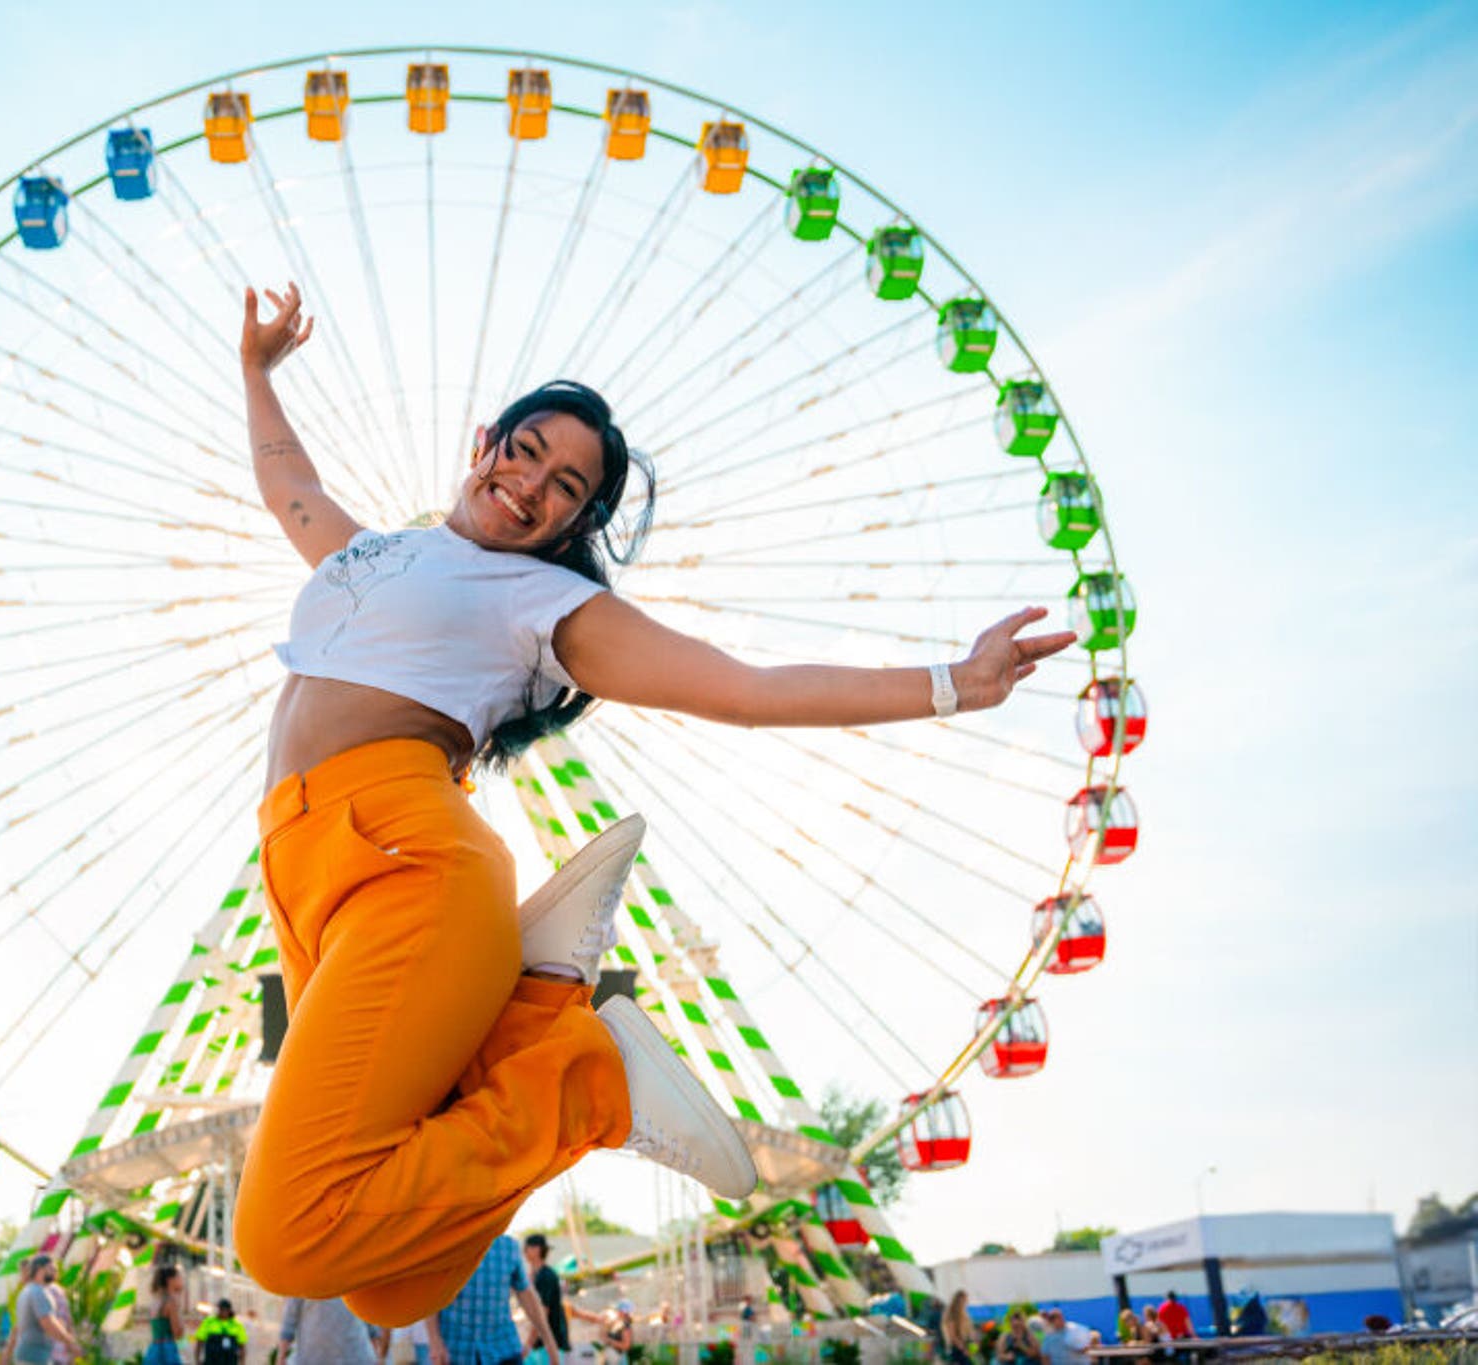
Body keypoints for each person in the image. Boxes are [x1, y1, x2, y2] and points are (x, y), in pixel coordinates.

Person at [229, 286, 1070, 1330]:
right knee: (386, 1281)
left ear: (578, 523)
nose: (528, 483)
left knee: (279, 1240)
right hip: (301, 873)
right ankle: (531, 1019)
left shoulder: (546, 606)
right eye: (524, 450)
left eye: (564, 485)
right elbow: (288, 485)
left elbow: (745, 690)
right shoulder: (371, 554)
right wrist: (260, 372)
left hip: (405, 858)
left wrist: (953, 681)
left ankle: (589, 1080)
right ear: (483, 442)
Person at [436, 1233, 558, 1365]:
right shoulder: (447, 1242)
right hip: (456, 1351)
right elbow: (431, 1294)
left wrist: (549, 1343)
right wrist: (434, 1340)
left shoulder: (509, 1246)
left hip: (503, 1350)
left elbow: (527, 1295)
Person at [10, 1256, 81, 1365]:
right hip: (35, 1357)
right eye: (51, 1269)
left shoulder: (26, 1291)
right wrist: (70, 1342)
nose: (55, 1273)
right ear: (39, 1268)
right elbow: (48, 1322)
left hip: (28, 1354)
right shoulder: (38, 1292)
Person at [281, 1297, 380, 1365]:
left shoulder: (356, 1276)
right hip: (313, 1359)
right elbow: (289, 1322)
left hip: (356, 1357)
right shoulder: (303, 1279)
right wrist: (281, 1358)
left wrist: (379, 1356)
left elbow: (371, 1323)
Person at [522, 1235, 570, 1359]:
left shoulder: (546, 1276)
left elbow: (542, 1313)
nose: (524, 1251)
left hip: (549, 1344)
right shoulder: (537, 1275)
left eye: (526, 1248)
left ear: (537, 1249)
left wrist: (528, 1344)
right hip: (542, 1343)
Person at [142, 1263, 186, 1365]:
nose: (181, 1280)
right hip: (167, 1352)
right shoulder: (171, 1301)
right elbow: (178, 1333)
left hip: (153, 1350)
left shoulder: (155, 1301)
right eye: (178, 1276)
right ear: (170, 1280)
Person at [194, 1296, 249, 1365]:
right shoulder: (209, 1322)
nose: (223, 1312)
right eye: (221, 1309)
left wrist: (242, 1363)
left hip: (230, 1361)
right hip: (211, 1361)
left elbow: (242, 1347)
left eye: (225, 1310)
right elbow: (199, 1342)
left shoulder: (237, 1325)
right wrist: (197, 1359)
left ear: (229, 1310)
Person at [940, 1290, 975, 1365]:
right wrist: (963, 1349)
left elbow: (969, 1332)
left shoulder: (964, 1314)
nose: (967, 1302)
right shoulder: (951, 1314)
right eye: (965, 1300)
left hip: (963, 1347)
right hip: (957, 1349)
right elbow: (953, 1336)